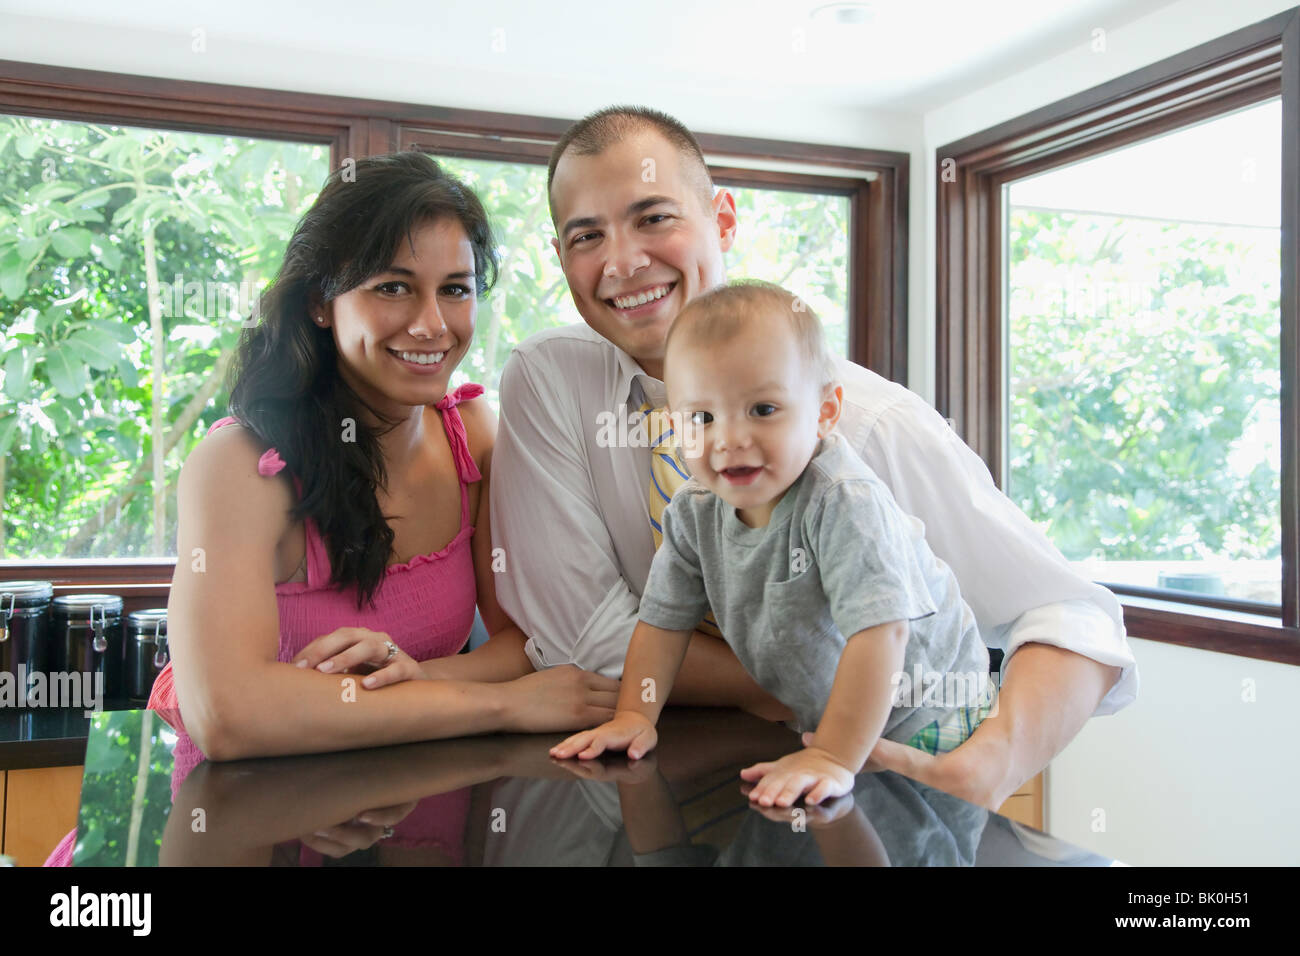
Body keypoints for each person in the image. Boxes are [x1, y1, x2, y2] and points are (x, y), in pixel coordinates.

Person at [491, 105, 1138, 810]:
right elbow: (591, 631)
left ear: (724, 220)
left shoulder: (868, 431)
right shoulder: (559, 385)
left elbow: (1069, 611)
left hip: (905, 762)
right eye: (588, 235)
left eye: (653, 218)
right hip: (714, 782)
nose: (622, 262)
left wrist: (997, 758)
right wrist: (679, 705)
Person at [152, 151, 619, 762]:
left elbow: (523, 644)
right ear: (322, 303)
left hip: (416, 806)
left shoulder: (472, 436)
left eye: (455, 290)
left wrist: (404, 683)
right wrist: (507, 704)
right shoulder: (241, 466)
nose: (432, 324)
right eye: (393, 287)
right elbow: (227, 713)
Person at [551, 281, 993, 808]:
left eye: (762, 410)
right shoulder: (695, 510)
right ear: (674, 424)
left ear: (826, 411)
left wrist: (832, 753)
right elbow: (662, 621)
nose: (729, 439)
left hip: (928, 712)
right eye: (703, 417)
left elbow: (884, 632)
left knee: (905, 837)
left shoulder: (841, 500)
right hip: (833, 721)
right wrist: (634, 715)